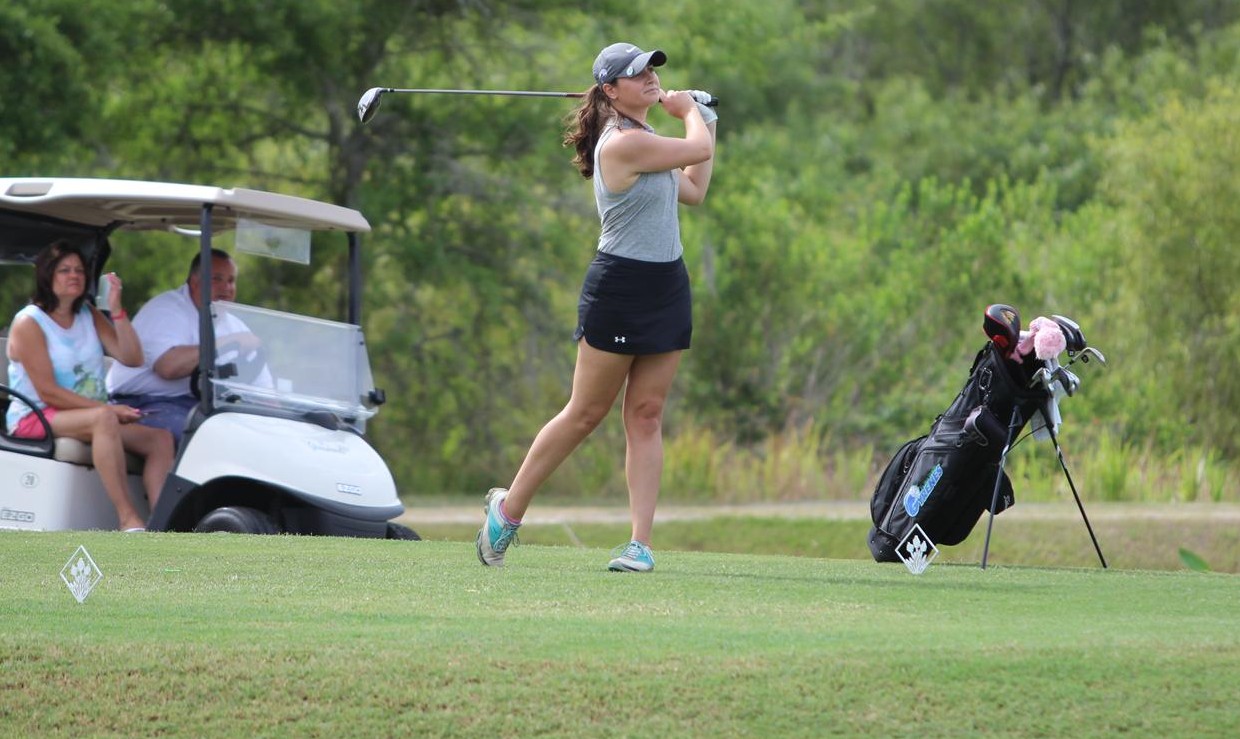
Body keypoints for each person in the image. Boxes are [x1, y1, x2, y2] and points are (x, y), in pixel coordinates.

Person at [476, 42, 717, 572]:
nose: (651, 77)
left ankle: (639, 545)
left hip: (667, 286)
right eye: (637, 73)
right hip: (619, 289)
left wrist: (707, 118)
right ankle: (508, 511)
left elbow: (695, 188)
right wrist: (691, 113)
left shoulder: (647, 139)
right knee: (585, 414)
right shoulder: (622, 145)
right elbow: (696, 150)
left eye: (652, 69)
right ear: (611, 90)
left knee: (646, 415)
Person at [5, 241, 174, 531]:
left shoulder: (88, 314)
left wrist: (117, 310)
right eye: (65, 270)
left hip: (88, 414)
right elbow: (48, 392)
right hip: (37, 414)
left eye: (79, 270)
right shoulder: (29, 323)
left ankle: (162, 525)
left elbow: (132, 358)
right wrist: (110, 410)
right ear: (47, 275)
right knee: (105, 418)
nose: (74, 275)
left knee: (160, 439)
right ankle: (128, 519)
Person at [106, 248, 267, 446]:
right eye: (217, 279)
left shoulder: (236, 326)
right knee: (204, 439)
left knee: (254, 440)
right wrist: (224, 343)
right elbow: (168, 367)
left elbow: (264, 389)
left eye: (231, 281)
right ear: (195, 282)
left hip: (197, 406)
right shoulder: (165, 310)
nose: (227, 288)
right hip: (140, 402)